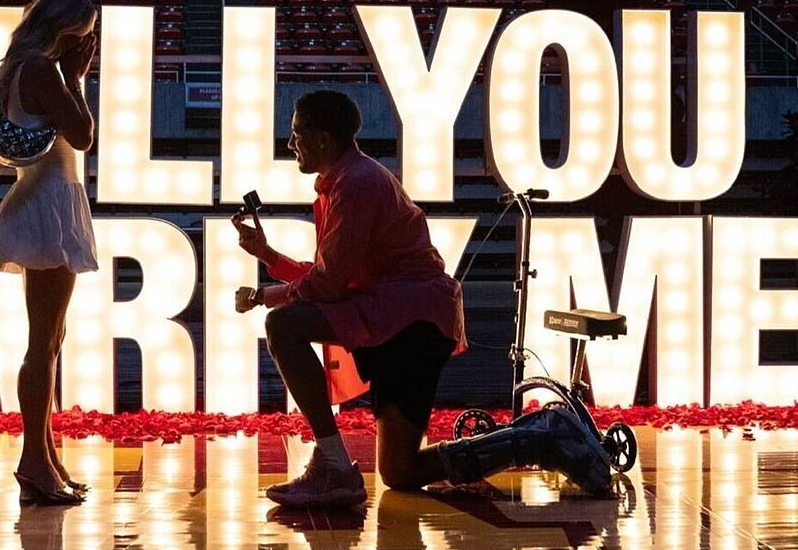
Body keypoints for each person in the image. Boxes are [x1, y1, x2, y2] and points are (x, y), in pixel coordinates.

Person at [233, 89, 612, 508]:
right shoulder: (350, 180)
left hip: (406, 323)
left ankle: (334, 464)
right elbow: (332, 278)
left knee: (283, 325)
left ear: (322, 139)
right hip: (401, 320)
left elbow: (328, 287)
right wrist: (268, 257)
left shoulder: (354, 185)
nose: (290, 145)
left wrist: (264, 296)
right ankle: (536, 438)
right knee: (400, 471)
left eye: (295, 134)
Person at [0, 0, 99, 506]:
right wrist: (76, 77)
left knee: (51, 341)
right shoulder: (45, 71)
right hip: (49, 207)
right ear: (66, 28)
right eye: (84, 34)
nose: (87, 43)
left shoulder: (22, 67)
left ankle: (46, 457)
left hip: (46, 199)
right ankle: (34, 459)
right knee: (43, 343)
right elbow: (83, 134)